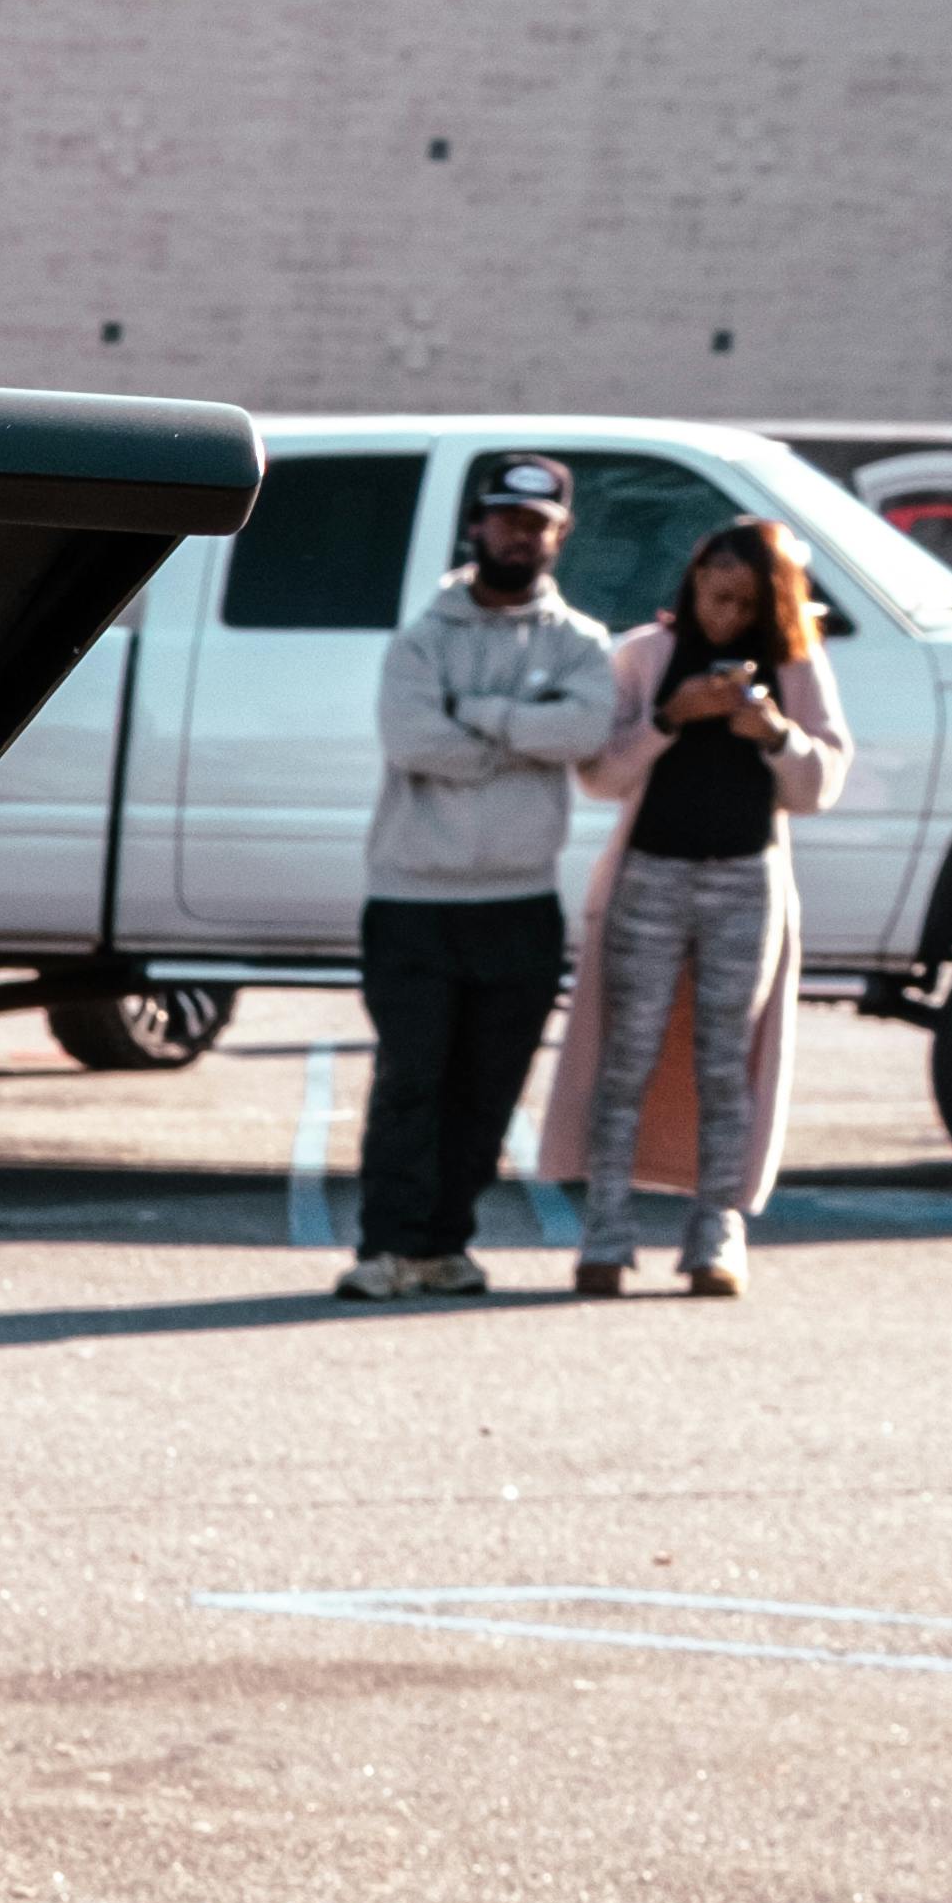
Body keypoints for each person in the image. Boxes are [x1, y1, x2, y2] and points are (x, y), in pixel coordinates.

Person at [339, 452, 617, 1300]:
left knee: (487, 1092)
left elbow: (587, 732)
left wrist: (482, 717)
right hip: (413, 899)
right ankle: (386, 1249)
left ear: (560, 536)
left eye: (537, 525)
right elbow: (413, 742)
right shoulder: (422, 638)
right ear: (477, 525)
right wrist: (526, 733)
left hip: (520, 903)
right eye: (506, 519)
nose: (519, 537)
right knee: (410, 1082)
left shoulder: (581, 644)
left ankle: (445, 1248)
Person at [569, 517, 846, 1297]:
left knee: (727, 1063)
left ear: (770, 601)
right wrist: (669, 719)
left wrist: (774, 732)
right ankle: (605, 1231)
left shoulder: (795, 663)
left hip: (744, 878)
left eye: (741, 600)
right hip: (651, 872)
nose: (722, 613)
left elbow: (822, 784)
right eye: (711, 592)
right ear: (690, 584)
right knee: (628, 1055)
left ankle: (715, 1233)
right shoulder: (647, 655)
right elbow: (600, 775)